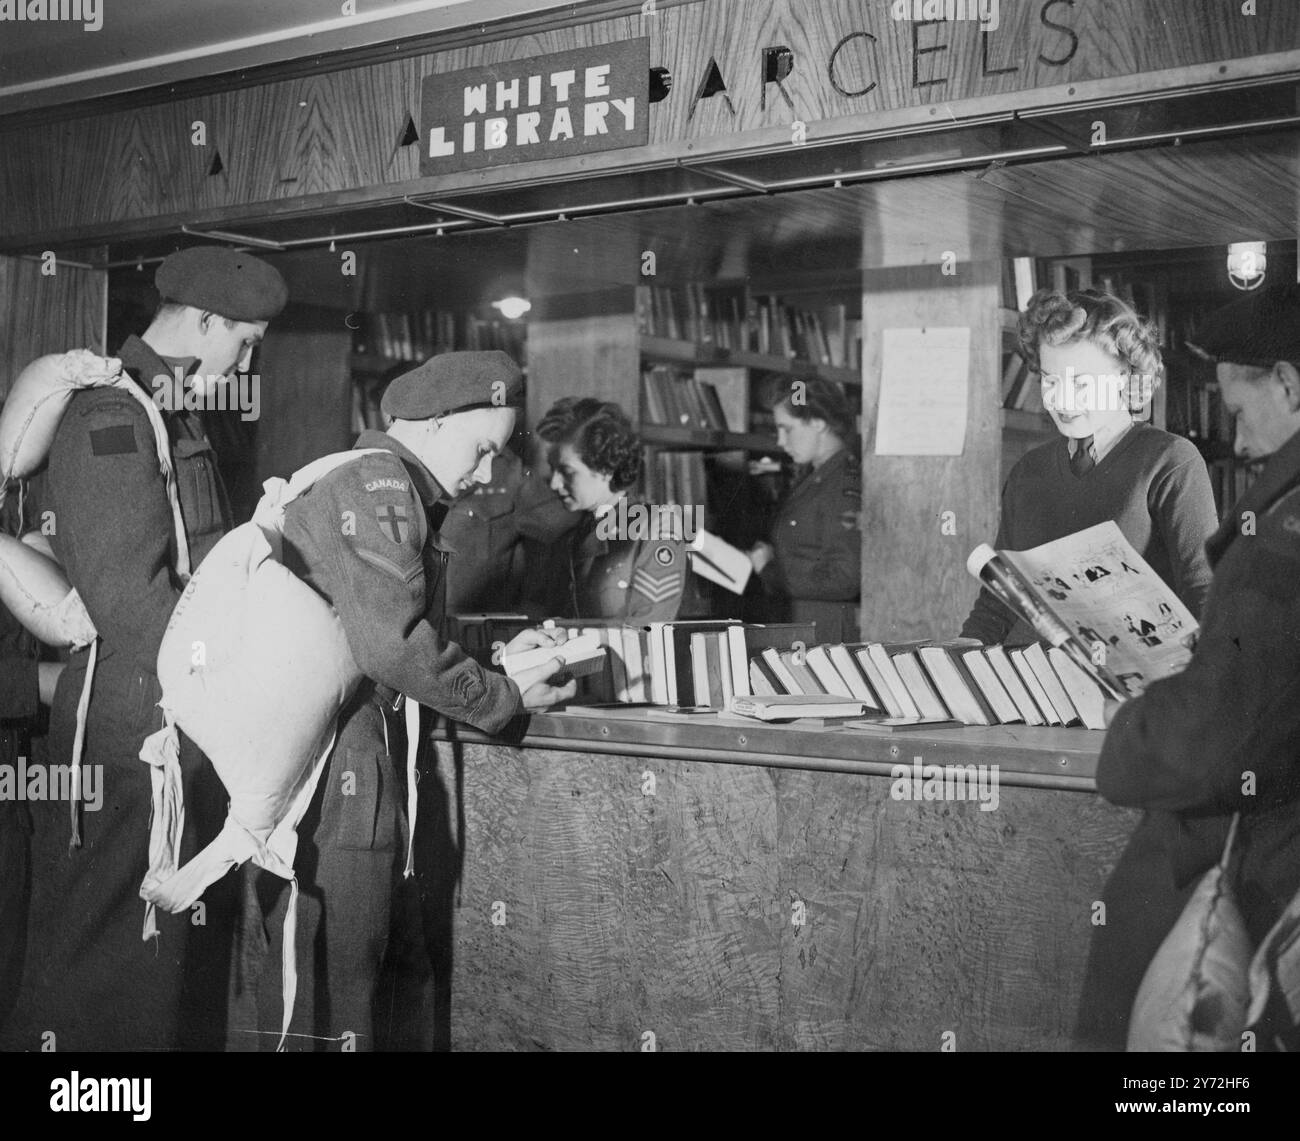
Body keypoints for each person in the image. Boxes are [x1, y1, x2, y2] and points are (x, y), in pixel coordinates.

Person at [244, 350, 576, 1051]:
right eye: (483, 448)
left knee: (383, 979)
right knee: (346, 986)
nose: (489, 473)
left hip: (357, 767)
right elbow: (393, 646)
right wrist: (503, 695)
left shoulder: (392, 487)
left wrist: (495, 664)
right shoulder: (379, 485)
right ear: (430, 422)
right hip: (339, 778)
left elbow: (398, 627)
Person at [0, 245, 288, 1052]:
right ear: (203, 321)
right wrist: (234, 683)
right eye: (245, 341)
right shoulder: (112, 414)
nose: (246, 360)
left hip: (167, 725)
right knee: (96, 964)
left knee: (147, 973)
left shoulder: (171, 413)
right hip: (130, 732)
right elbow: (130, 598)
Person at [1080, 284, 1300, 1051]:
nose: (1236, 443)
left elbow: (1215, 737)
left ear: (1290, 383)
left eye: (1237, 412)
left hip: (1267, 872)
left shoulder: (1282, 534)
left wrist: (1128, 726)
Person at [962, 289, 1219, 645]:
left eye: (1081, 383)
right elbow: (998, 605)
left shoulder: (1171, 461)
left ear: (1126, 379)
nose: (1063, 400)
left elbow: (1204, 594)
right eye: (1050, 381)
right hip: (1038, 684)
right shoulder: (1026, 472)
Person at [533, 397, 687, 622]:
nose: (555, 483)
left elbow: (651, 631)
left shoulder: (656, 530)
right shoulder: (573, 533)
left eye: (566, 471)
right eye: (553, 469)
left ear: (605, 468)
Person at [747, 377, 862, 643]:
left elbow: (844, 577)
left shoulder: (842, 485)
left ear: (819, 422)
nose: (780, 441)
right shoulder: (818, 477)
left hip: (825, 633)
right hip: (806, 626)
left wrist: (771, 570)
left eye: (787, 429)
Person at [439, 431, 578, 614]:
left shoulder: (504, 472)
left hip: (472, 624)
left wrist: (533, 600)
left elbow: (565, 526)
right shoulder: (401, 465)